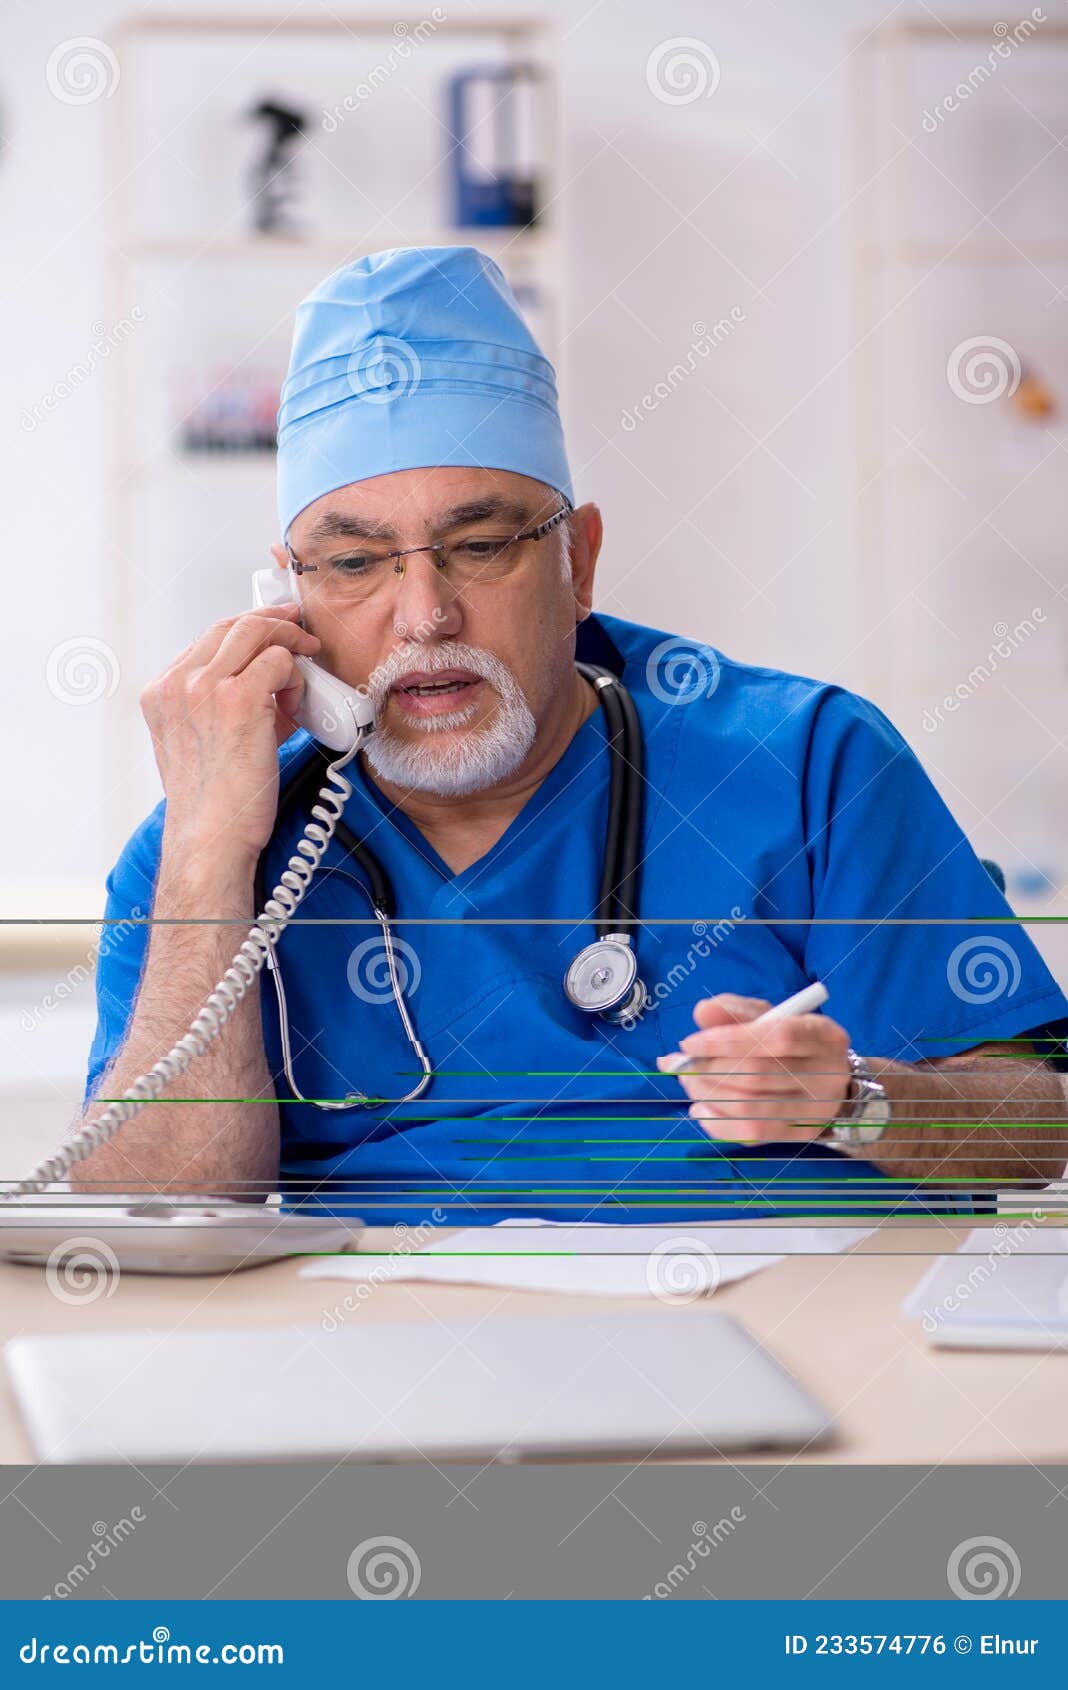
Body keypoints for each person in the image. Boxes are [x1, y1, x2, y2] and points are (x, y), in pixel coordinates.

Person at [77, 246, 1068, 1224]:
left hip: (788, 1311)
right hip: (391, 1321)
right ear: (288, 595)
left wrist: (854, 1101)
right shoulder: (210, 847)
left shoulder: (810, 764)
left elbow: (1039, 1126)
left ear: (578, 564)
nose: (424, 617)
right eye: (354, 563)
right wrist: (210, 854)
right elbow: (149, 1214)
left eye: (479, 546)